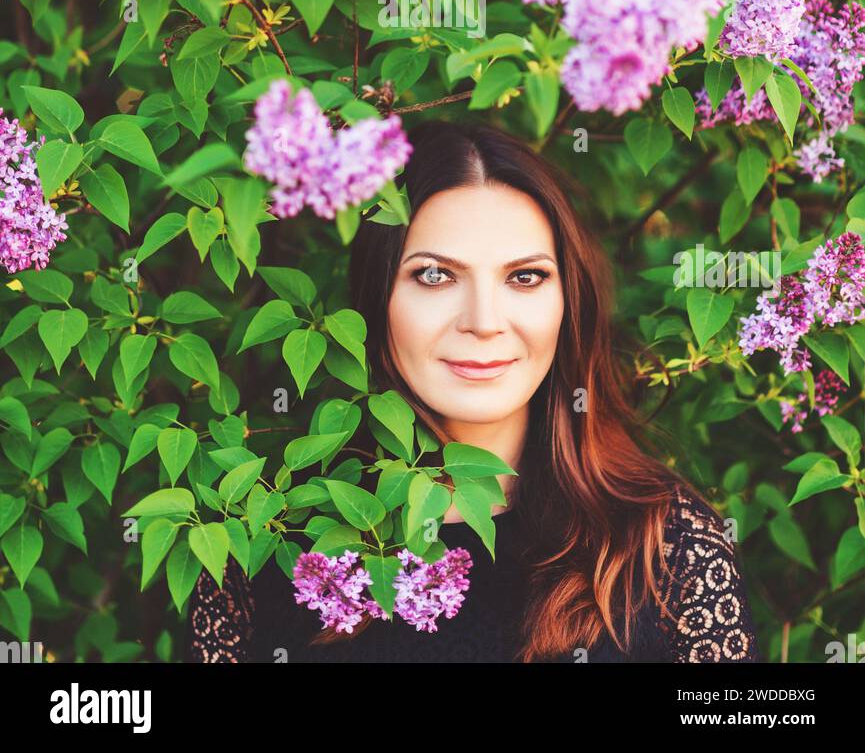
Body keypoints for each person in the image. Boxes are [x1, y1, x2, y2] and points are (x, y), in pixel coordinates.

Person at [186, 120, 760, 663]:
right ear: (376, 298)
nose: (484, 321)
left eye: (525, 276)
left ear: (568, 303)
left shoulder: (663, 546)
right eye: (435, 275)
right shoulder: (265, 539)